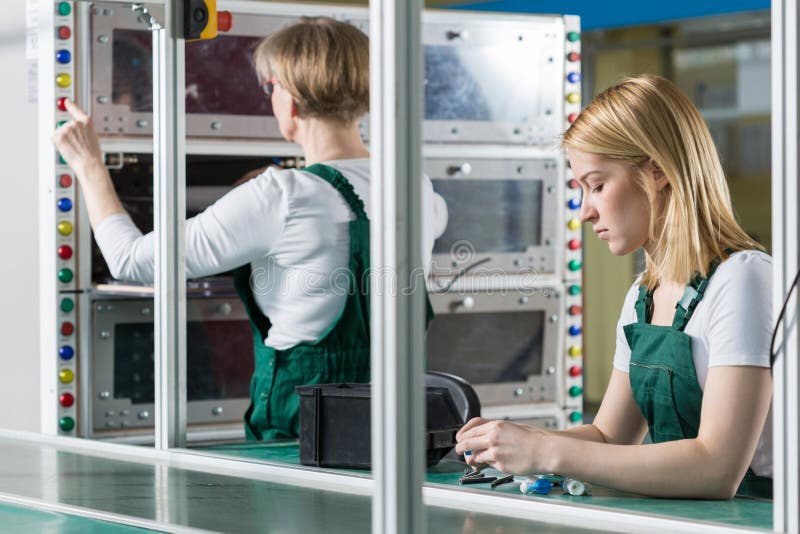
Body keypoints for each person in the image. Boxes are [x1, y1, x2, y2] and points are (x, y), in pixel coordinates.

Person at [52, 17, 448, 440]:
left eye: (270, 87)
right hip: (397, 428)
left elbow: (131, 261)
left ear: (290, 97)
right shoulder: (415, 186)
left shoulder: (280, 195)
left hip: (305, 435)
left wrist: (89, 165)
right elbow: (346, 210)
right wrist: (286, 185)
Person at [455, 75, 773, 500]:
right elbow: (609, 437)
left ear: (657, 170)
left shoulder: (743, 279)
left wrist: (545, 450)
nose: (586, 212)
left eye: (598, 185)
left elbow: (716, 469)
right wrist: (514, 440)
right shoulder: (643, 295)